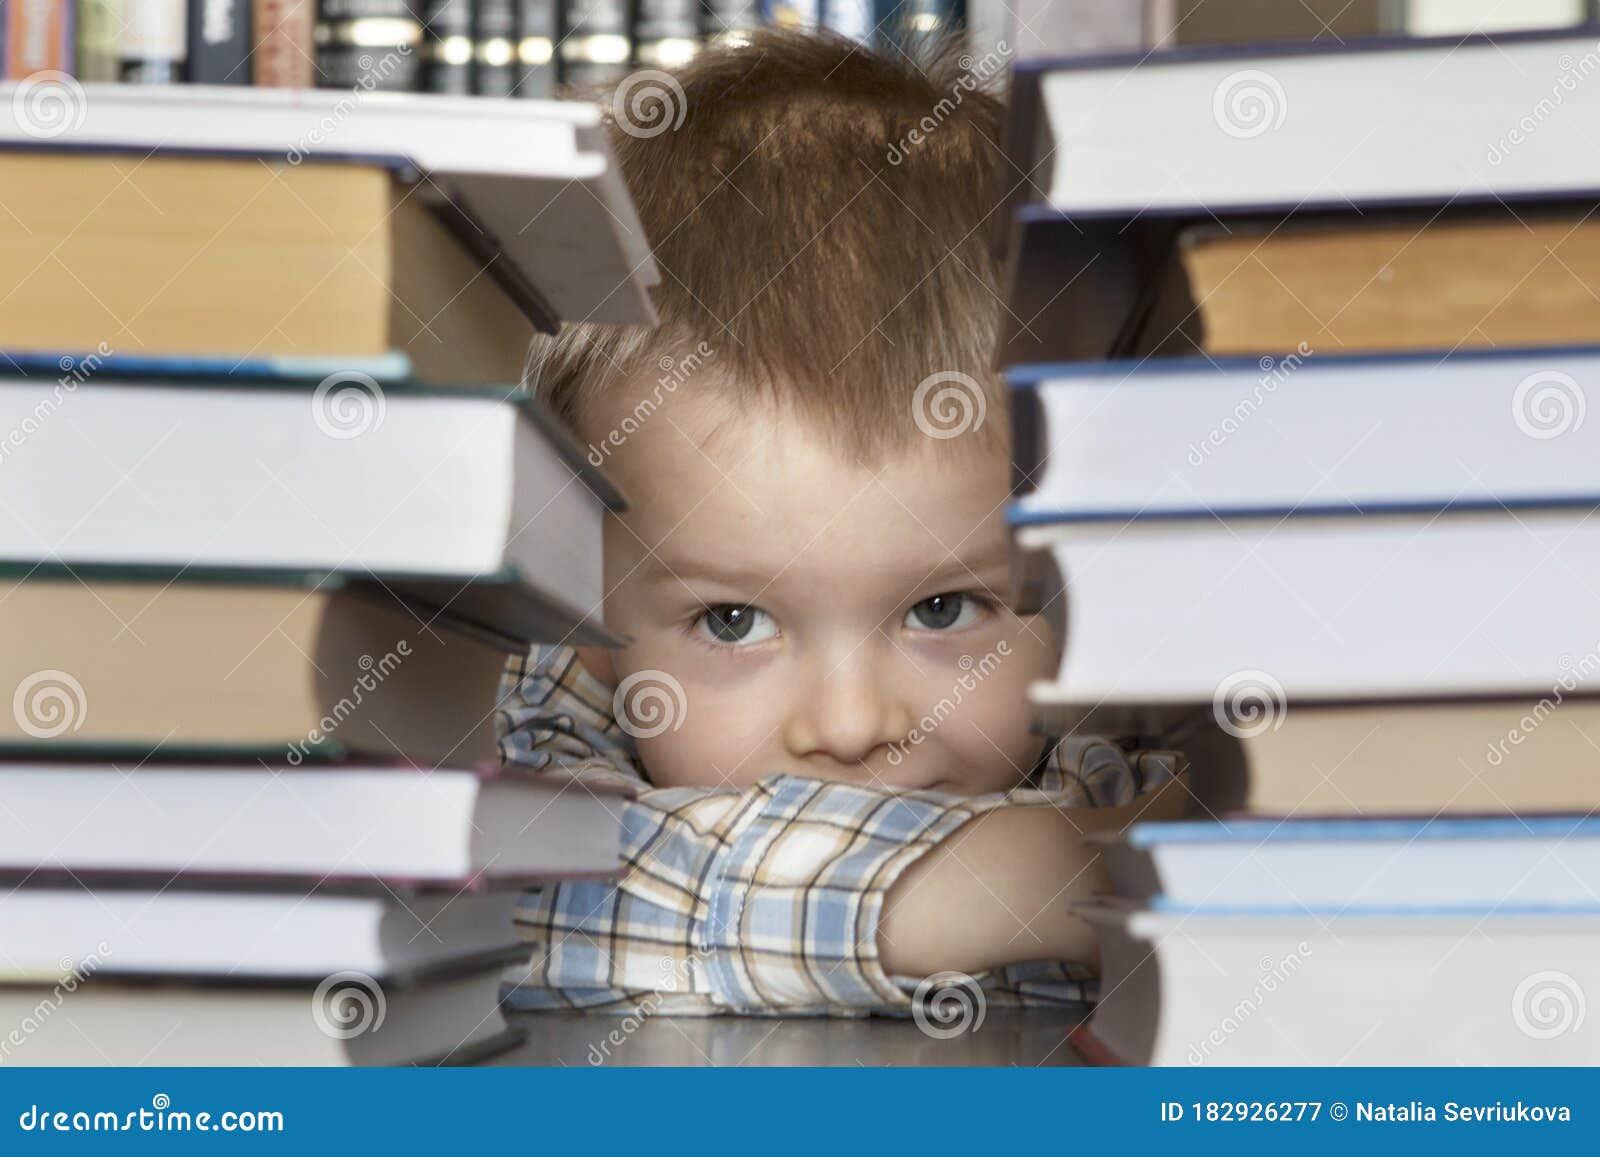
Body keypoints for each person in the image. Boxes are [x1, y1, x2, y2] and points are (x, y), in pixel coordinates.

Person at [499, 30, 1185, 1017]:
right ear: (579, 598)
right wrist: (1065, 875)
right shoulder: (527, 743)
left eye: (945, 608)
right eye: (733, 620)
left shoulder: (1114, 738)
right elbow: (524, 903)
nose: (855, 724)